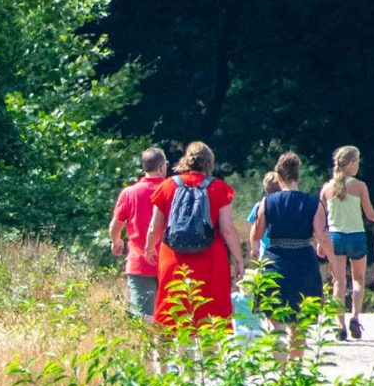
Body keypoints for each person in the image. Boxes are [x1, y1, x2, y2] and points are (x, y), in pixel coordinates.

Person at [144, 141, 242, 331]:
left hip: (174, 258)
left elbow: (154, 226)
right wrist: (238, 259)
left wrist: (149, 247)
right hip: (211, 260)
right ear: (209, 162)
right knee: (212, 316)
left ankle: (166, 360)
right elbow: (227, 229)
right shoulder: (219, 188)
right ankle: (210, 358)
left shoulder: (167, 186)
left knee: (170, 312)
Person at [249, 151, 330, 357]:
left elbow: (258, 234)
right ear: (297, 176)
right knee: (300, 324)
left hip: (274, 262)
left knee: (276, 324)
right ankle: (295, 372)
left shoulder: (267, 202)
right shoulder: (313, 203)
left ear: (278, 177)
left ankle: (280, 373)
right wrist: (335, 266)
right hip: (304, 261)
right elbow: (321, 236)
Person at [320, 145, 374, 341]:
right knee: (358, 280)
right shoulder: (359, 186)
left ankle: (340, 325)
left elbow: (322, 219)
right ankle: (355, 317)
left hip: (335, 237)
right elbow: (370, 214)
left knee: (338, 281)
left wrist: (320, 241)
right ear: (352, 163)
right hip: (356, 236)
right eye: (357, 161)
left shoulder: (327, 188)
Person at [109, 146, 168, 321]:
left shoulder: (129, 193)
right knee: (170, 319)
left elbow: (115, 225)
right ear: (162, 166)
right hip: (169, 263)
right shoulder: (172, 190)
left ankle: (146, 349)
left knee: (143, 319)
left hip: (139, 263)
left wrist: (116, 241)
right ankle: (168, 349)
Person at [247, 171, 280, 257]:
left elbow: (254, 230)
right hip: (282, 250)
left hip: (265, 251)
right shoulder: (284, 207)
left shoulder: (259, 206)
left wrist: (254, 248)